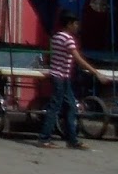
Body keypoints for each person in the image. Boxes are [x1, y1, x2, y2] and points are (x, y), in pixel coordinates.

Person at [37, 11, 105, 149]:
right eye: (75, 24)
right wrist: (96, 73)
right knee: (55, 107)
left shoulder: (56, 37)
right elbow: (78, 59)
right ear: (69, 24)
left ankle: (72, 140)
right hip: (61, 77)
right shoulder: (68, 39)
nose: (77, 26)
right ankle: (45, 138)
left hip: (61, 77)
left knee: (71, 107)